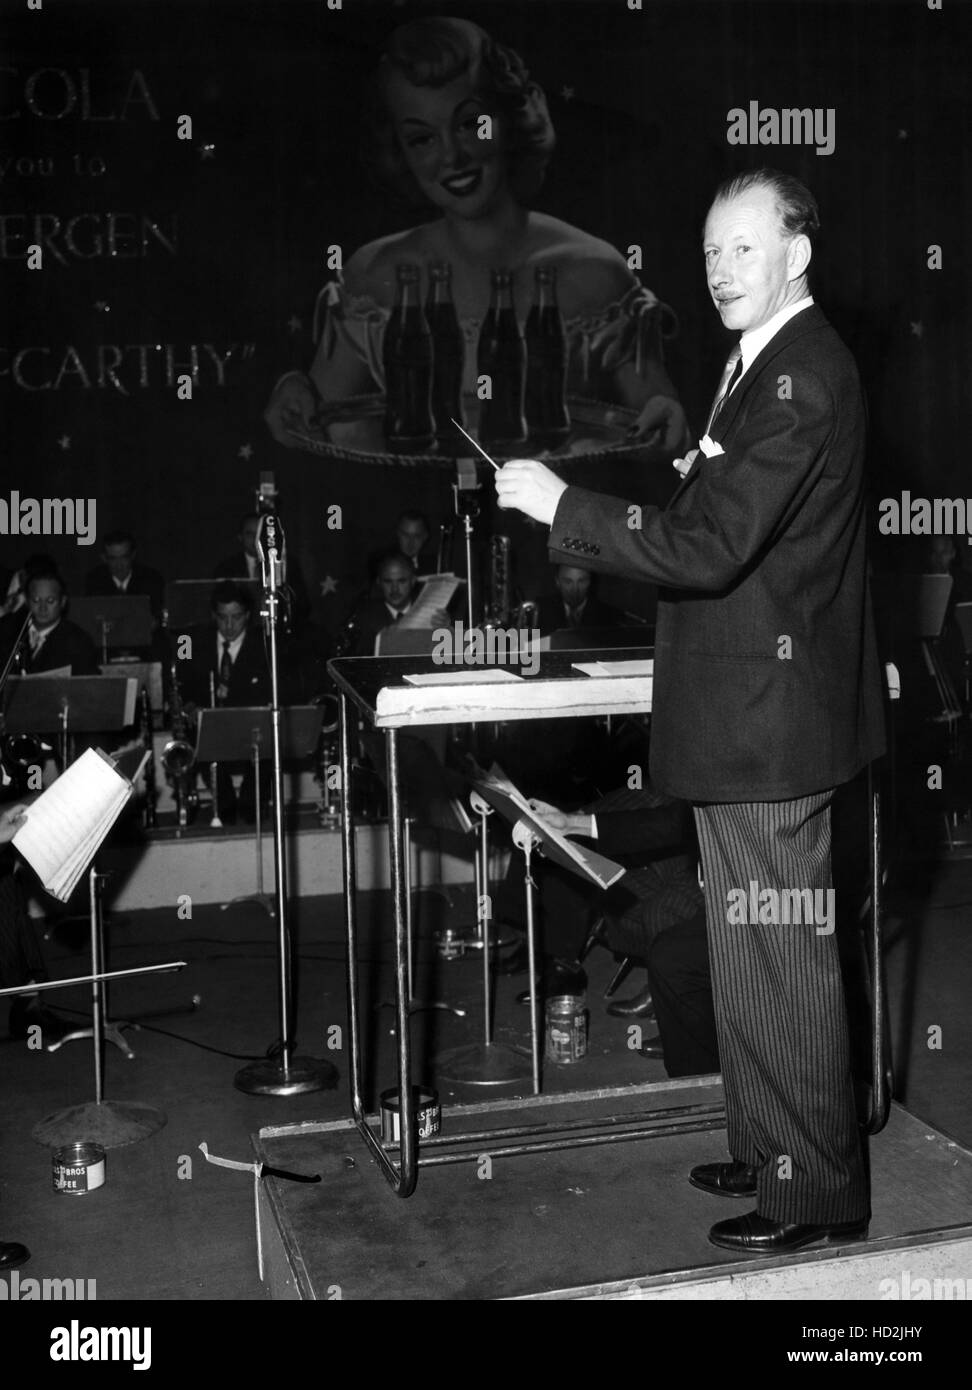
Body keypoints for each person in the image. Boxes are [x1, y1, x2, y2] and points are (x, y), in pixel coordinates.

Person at [496, 168, 886, 1254]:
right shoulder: (757, 363)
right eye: (710, 250)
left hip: (771, 723)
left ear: (796, 254)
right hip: (748, 712)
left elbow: (714, 549)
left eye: (744, 249)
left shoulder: (801, 374)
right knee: (742, 951)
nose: (719, 270)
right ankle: (773, 1148)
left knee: (781, 962)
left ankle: (813, 1192)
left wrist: (564, 504)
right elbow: (733, 514)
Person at [264, 15, 688, 456]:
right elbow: (321, 420)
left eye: (470, 124)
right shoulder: (374, 272)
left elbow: (659, 419)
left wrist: (664, 414)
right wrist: (295, 395)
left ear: (509, 116)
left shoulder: (593, 270)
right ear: (398, 152)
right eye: (422, 139)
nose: (452, 156)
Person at [176, 581, 272, 824]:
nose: (229, 626)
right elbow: (184, 686)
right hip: (209, 723)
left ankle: (253, 805)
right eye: (222, 618)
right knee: (193, 734)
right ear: (213, 615)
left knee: (271, 734)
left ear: (248, 616)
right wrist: (190, 707)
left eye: (237, 617)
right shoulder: (191, 641)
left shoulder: (265, 643)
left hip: (250, 724)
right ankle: (224, 803)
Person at [0, 572, 99, 677]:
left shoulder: (79, 641)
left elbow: (89, 686)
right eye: (36, 600)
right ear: (27, 601)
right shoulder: (6, 631)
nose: (43, 608)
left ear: (63, 602)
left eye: (50, 601)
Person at [85, 530, 165, 622]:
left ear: (133, 555)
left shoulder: (151, 579)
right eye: (113, 559)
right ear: (104, 558)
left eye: (124, 557)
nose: (119, 565)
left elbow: (157, 616)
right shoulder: (94, 581)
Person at [533, 563, 622, 635]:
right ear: (557, 582)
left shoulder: (608, 615)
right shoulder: (538, 610)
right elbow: (526, 654)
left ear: (590, 581)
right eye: (568, 582)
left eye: (582, 581)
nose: (575, 589)